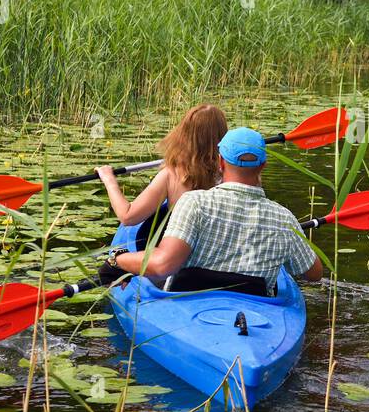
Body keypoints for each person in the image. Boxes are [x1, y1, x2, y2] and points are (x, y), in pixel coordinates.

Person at [106, 127, 324, 296]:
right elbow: (314, 274)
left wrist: (118, 260)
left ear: (221, 162)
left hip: (188, 303)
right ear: (263, 165)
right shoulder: (284, 218)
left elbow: (163, 265)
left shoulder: (193, 202)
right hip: (256, 312)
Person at [96, 104, 227, 241]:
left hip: (180, 250)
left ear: (184, 133)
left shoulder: (172, 175)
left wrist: (109, 180)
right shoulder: (231, 173)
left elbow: (128, 216)